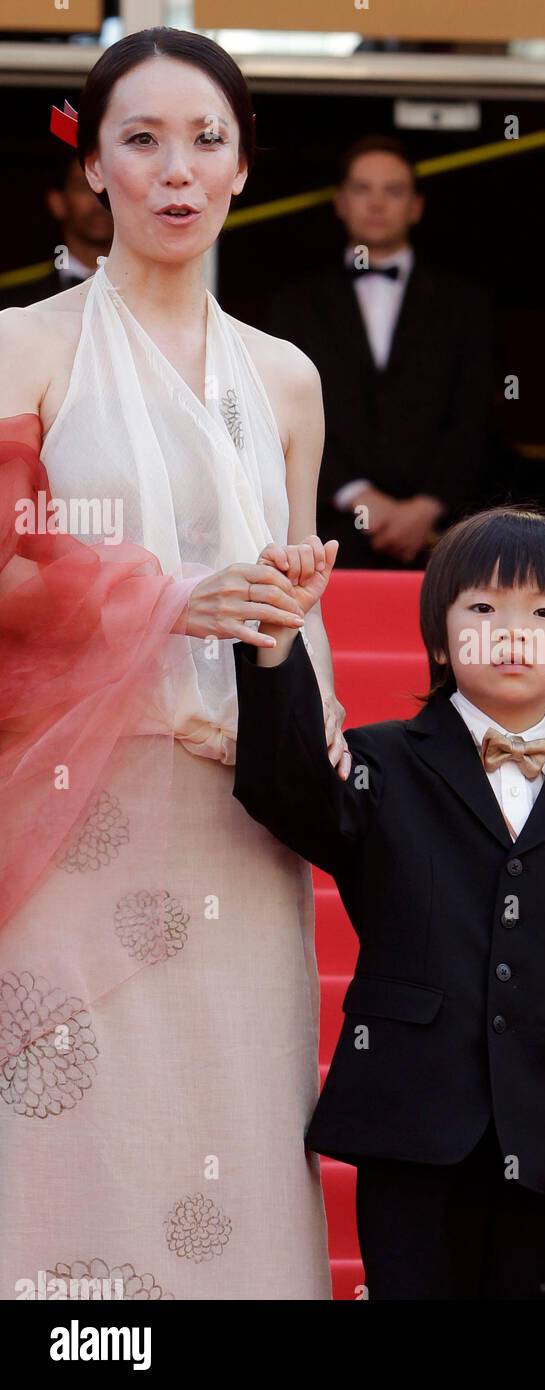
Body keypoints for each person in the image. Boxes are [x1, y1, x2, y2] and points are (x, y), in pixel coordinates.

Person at [0, 28, 342, 1298]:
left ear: (246, 166)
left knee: (233, 1134)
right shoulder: (26, 350)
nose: (176, 170)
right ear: (92, 165)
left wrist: (328, 749)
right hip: (70, 813)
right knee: (68, 1124)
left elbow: (297, 605)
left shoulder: (288, 378)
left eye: (207, 140)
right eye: (140, 140)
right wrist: (164, 596)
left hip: (243, 822)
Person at [230, 507, 545, 1299]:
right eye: (482, 609)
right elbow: (287, 790)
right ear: (440, 640)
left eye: (543, 613)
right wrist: (277, 653)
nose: (513, 632)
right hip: (412, 1124)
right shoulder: (381, 762)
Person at [264, 136, 497, 569]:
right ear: (340, 202)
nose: (376, 203)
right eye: (362, 189)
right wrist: (357, 496)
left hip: (440, 541)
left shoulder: (465, 306)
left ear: (415, 206)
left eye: (392, 191)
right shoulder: (293, 306)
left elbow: (474, 416)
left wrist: (427, 505)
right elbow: (279, 413)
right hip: (321, 538)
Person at [0, 156, 114, 310]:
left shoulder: (153, 289)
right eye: (84, 187)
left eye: (111, 188)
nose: (99, 202)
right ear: (58, 203)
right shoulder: (11, 295)